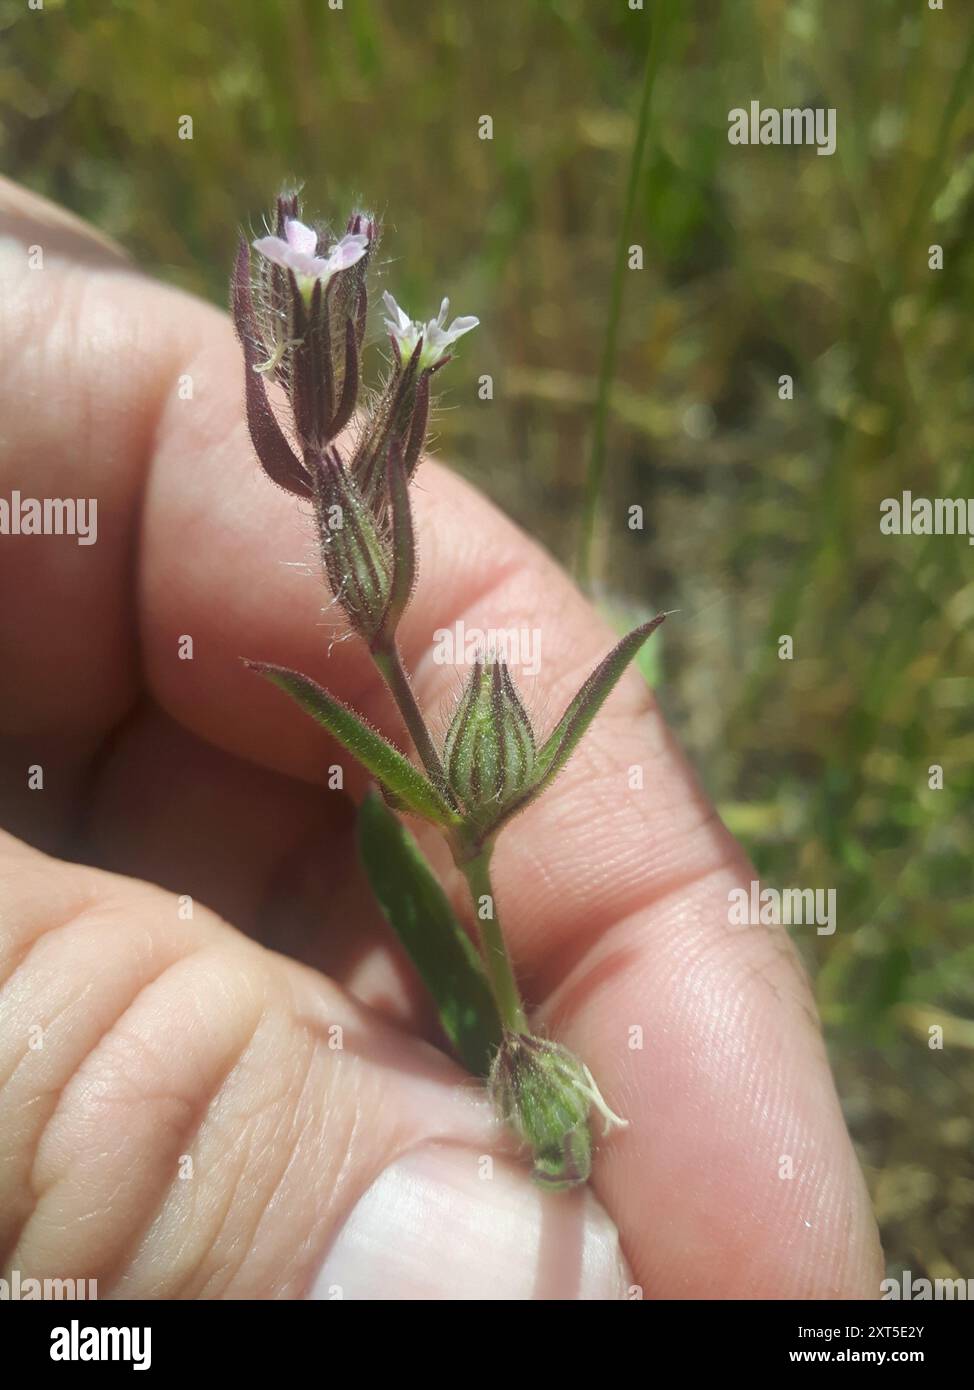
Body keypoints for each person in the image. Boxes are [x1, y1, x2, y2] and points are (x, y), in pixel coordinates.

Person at [0, 177, 882, 1299]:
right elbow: (336, 481)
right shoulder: (320, 454)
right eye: (313, 283)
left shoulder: (350, 473)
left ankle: (539, 1109)